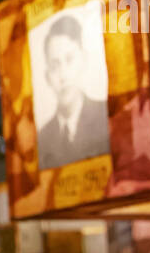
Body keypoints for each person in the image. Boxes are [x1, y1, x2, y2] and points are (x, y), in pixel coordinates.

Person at [36, 15, 111, 170]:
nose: (63, 75)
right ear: (47, 76)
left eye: (69, 60)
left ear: (83, 60)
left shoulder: (108, 116)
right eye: (55, 65)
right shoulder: (42, 139)